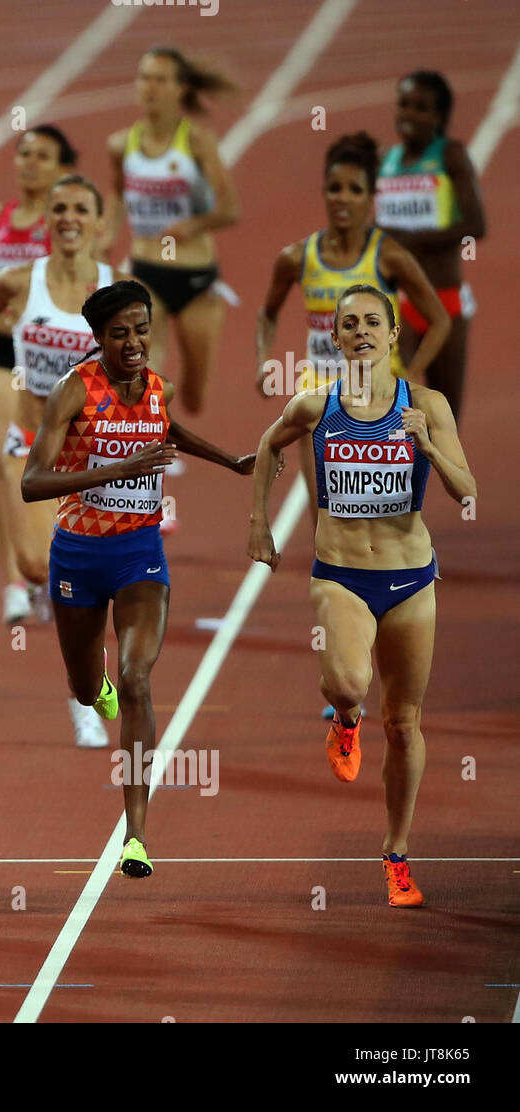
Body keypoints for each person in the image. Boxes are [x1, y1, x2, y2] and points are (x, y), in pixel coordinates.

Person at [248, 283, 475, 909]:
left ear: (395, 334)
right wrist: (259, 521)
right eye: (349, 324)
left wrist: (428, 446)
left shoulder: (426, 404)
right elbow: (269, 444)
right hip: (341, 574)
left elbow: (467, 490)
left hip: (411, 579)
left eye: (374, 321)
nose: (362, 332)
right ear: (336, 338)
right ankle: (345, 722)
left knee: (404, 725)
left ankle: (396, 854)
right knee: (349, 684)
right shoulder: (315, 406)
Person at [21, 280, 256, 880]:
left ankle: (136, 833)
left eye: (142, 329)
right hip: (77, 554)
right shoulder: (73, 392)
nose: (134, 342)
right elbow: (32, 481)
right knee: (85, 686)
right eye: (120, 333)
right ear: (98, 338)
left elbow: (166, 428)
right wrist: (123, 467)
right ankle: (89, 686)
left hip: (139, 553)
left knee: (137, 679)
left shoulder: (157, 385)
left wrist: (229, 460)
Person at [0, 174, 115, 747]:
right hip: (31, 440)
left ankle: (85, 700)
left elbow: (145, 360)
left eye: (81, 207)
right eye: (59, 208)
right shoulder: (21, 283)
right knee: (34, 566)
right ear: (46, 219)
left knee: (81, 581)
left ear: (100, 222)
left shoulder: (117, 288)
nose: (69, 217)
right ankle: (77, 650)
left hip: (98, 450)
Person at [256, 131, 450, 527]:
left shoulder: (390, 256)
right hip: (322, 394)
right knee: (326, 514)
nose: (342, 198)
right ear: (323, 194)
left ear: (370, 197)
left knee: (385, 513)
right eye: (334, 188)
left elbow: (440, 320)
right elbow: (267, 313)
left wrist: (412, 374)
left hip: (383, 395)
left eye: (354, 190)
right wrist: (264, 361)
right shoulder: (296, 258)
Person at [0, 125, 77, 623]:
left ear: (61, 168)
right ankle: (15, 582)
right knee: (9, 462)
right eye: (23, 154)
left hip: (54, 357)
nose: (29, 163)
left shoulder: (66, 223)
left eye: (42, 156)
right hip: (4, 351)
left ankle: (54, 565)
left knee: (58, 464)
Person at [101, 46, 239, 416]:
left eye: (160, 79)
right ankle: (153, 441)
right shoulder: (121, 144)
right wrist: (107, 232)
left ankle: (168, 422)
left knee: (194, 395)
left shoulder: (196, 141)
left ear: (180, 88)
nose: (150, 87)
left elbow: (230, 210)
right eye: (144, 78)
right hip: (145, 270)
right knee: (142, 370)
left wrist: (192, 224)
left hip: (196, 278)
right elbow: (117, 191)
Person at [376, 71, 487, 417]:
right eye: (404, 105)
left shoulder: (450, 155)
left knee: (445, 419)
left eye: (421, 108)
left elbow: (475, 225)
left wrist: (414, 241)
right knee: (392, 407)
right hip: (399, 301)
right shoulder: (385, 162)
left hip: (445, 298)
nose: (409, 114)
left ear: (439, 117)